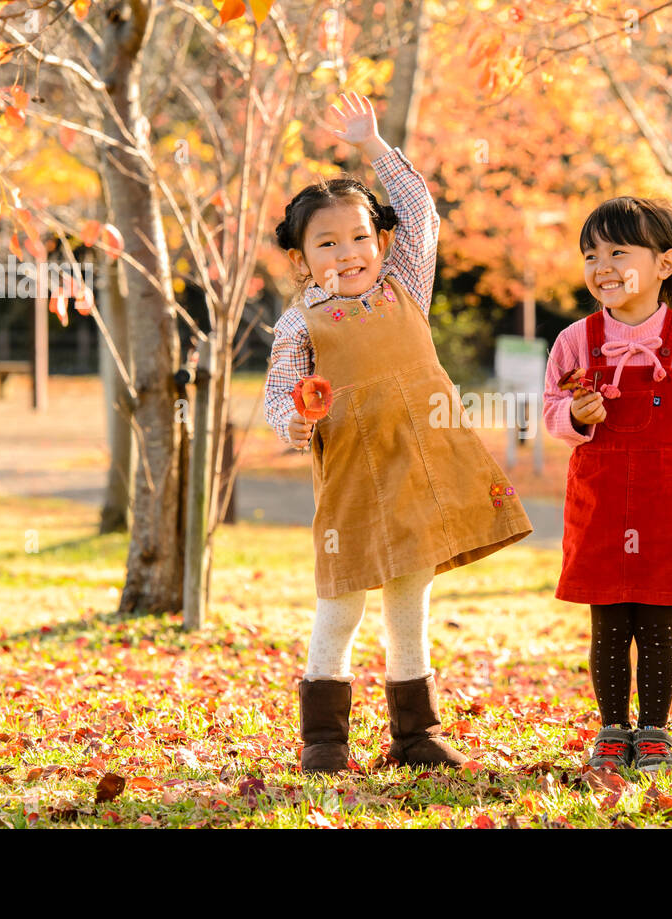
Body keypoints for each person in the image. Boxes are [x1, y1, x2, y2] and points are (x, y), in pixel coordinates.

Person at [265, 92, 533, 773]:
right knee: (343, 603)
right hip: (355, 479)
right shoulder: (302, 323)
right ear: (301, 259)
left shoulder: (404, 284)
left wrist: (374, 146)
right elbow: (277, 398)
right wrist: (295, 421)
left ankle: (416, 735)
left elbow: (420, 210)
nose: (348, 252)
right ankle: (324, 741)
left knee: (410, 599)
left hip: (422, 465)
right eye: (326, 243)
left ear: (380, 241)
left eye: (359, 236)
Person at [542, 196, 672, 772]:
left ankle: (653, 729)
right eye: (590, 254)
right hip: (600, 500)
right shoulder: (575, 341)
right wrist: (579, 416)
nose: (601, 265)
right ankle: (611, 728)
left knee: (656, 618)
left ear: (664, 263)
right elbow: (552, 411)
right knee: (607, 618)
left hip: (668, 501)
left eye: (618, 251)